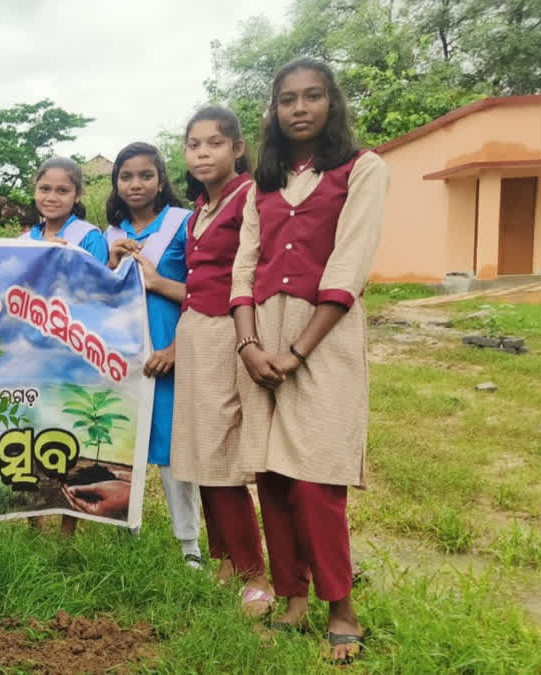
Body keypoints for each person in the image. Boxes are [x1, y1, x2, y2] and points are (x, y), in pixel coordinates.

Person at [231, 57, 388, 665]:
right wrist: (249, 344)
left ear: (332, 103)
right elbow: (245, 264)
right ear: (273, 110)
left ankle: (340, 605)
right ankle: (292, 595)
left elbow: (350, 265)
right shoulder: (263, 182)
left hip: (325, 331)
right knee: (271, 471)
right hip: (260, 330)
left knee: (318, 475)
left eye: (312, 96)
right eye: (287, 99)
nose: (299, 109)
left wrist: (297, 351)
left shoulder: (363, 169)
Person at [169, 106, 274, 615]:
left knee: (221, 452)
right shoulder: (199, 209)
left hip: (224, 329)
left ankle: (255, 572)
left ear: (237, 148)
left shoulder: (250, 195)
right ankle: (226, 559)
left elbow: (255, 269)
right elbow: (193, 279)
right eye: (194, 145)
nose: (202, 153)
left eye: (214, 143)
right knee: (198, 452)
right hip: (194, 330)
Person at [104, 142, 203, 568]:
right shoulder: (111, 234)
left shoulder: (183, 224)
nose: (136, 184)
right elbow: (97, 301)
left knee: (173, 450)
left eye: (145, 175)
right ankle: (128, 531)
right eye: (126, 176)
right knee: (124, 445)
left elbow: (206, 293)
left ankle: (190, 545)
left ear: (161, 180)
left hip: (170, 353)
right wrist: (109, 264)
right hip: (123, 362)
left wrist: (177, 348)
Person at [21, 156, 108, 536]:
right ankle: (33, 520)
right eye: (45, 188)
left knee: (69, 436)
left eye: (62, 190)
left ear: (77, 194)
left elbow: (97, 290)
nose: (52, 196)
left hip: (74, 355)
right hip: (29, 353)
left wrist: (63, 259)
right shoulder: (24, 240)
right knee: (30, 434)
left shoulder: (89, 236)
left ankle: (68, 530)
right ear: (34, 191)